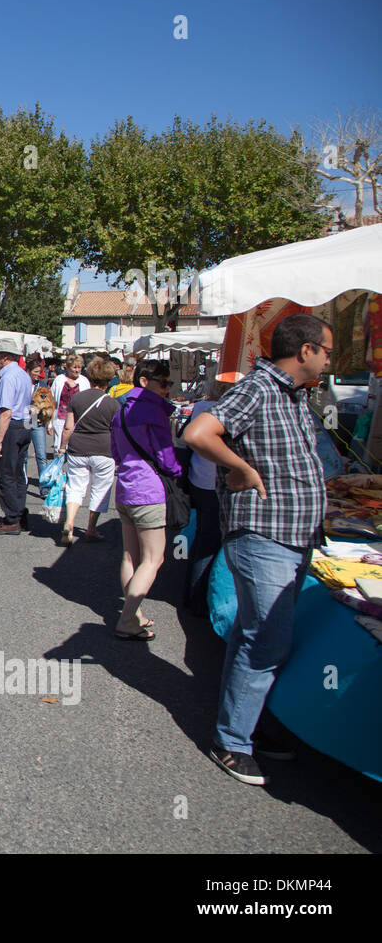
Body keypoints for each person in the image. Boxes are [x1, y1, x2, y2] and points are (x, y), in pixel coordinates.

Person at [184, 315, 332, 787]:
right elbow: (198, 433)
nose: (330, 360)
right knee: (263, 640)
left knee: (262, 639)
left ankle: (250, 724)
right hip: (265, 536)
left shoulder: (290, 395)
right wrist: (243, 470)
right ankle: (232, 741)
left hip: (289, 535)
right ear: (305, 351)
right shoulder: (261, 388)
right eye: (327, 351)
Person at [108, 358, 182, 640]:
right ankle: (128, 618)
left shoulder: (121, 410)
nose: (167, 388)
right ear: (143, 381)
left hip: (126, 487)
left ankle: (133, 614)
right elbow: (165, 454)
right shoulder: (153, 411)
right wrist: (176, 472)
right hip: (148, 491)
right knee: (153, 559)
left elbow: (115, 450)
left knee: (130, 555)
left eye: (169, 383)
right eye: (162, 382)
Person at [181, 373, 240, 616]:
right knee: (210, 539)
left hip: (198, 477)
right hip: (215, 481)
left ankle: (192, 588)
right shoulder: (220, 411)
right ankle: (197, 597)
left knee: (204, 535)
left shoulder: (200, 407)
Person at [56, 357, 119, 546]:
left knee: (76, 487)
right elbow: (117, 432)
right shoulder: (113, 404)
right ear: (108, 380)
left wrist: (62, 447)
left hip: (78, 447)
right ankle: (91, 528)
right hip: (104, 450)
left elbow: (68, 427)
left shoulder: (77, 398)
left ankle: (70, 522)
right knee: (100, 489)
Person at [0, 339, 34, 535]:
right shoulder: (23, 375)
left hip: (11, 427)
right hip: (23, 425)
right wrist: (30, 429)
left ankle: (12, 519)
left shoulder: (7, 378)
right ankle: (19, 513)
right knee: (17, 473)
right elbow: (30, 404)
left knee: (5, 473)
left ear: (5, 357)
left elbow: (6, 412)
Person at [25, 354, 52, 480]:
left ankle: (44, 485)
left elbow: (49, 405)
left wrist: (47, 421)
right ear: (28, 371)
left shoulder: (42, 386)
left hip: (37, 421)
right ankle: (23, 483)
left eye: (39, 372)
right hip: (24, 420)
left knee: (41, 455)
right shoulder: (22, 384)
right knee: (23, 455)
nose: (38, 374)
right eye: (35, 372)